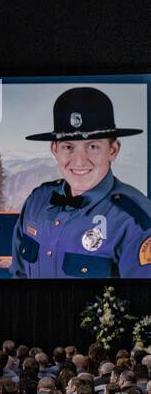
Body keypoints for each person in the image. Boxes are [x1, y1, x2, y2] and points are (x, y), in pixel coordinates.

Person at [10, 86, 151, 278]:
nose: (79, 162)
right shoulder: (36, 202)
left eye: (92, 146)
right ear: (54, 150)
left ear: (113, 150)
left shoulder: (136, 222)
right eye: (68, 147)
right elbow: (18, 276)